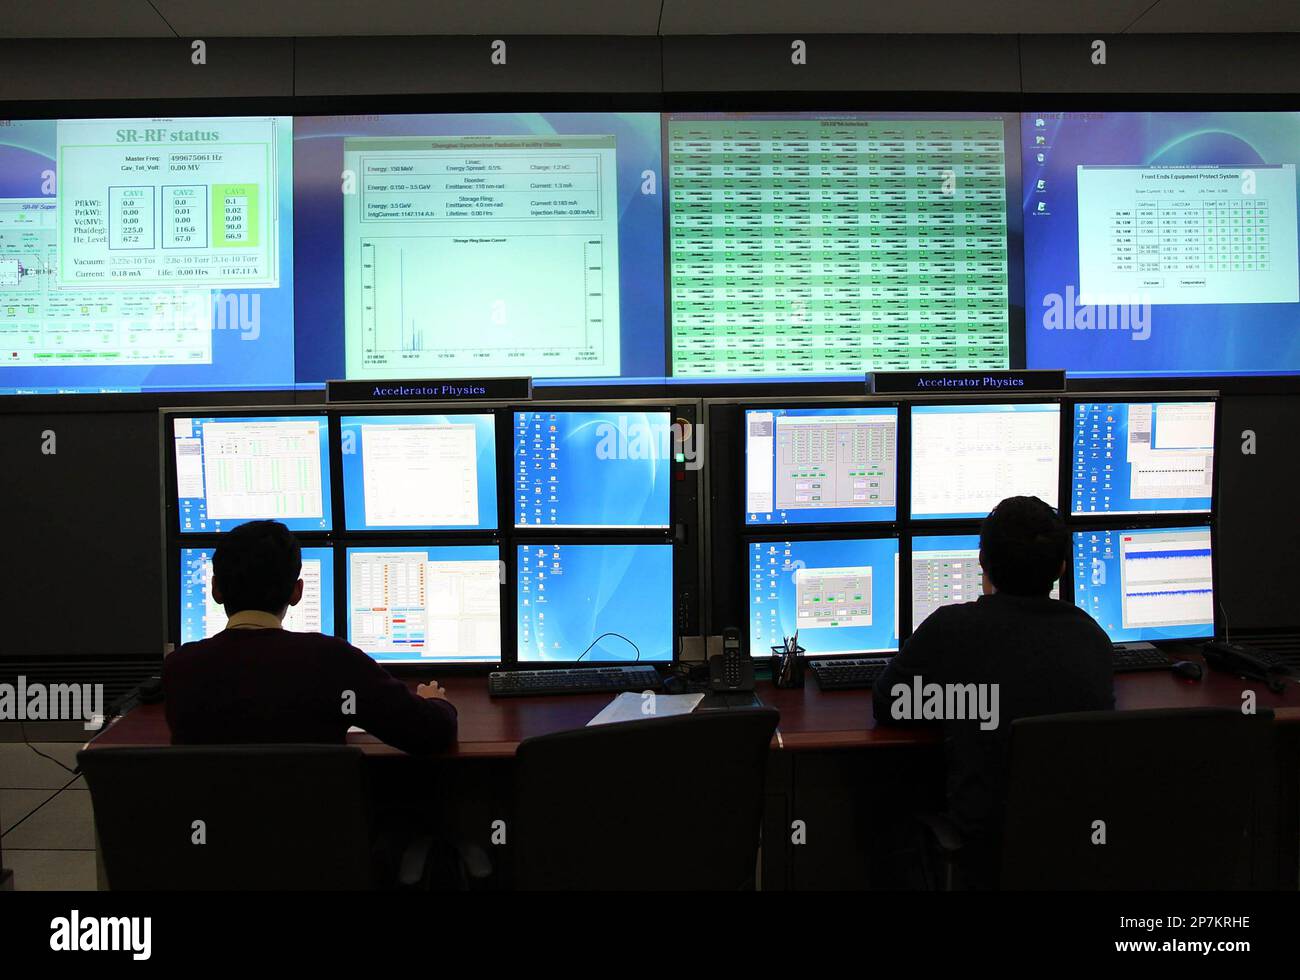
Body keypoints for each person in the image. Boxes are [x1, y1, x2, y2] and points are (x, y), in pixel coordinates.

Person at [872, 495, 1113, 888]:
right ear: (1061, 568)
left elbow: (888, 703)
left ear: (982, 563)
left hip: (983, 852)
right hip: (1076, 852)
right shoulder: (1093, 637)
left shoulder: (953, 629)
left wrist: (960, 704)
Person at [165, 520, 457, 755]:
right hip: (318, 828)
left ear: (215, 590)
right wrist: (436, 702)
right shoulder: (331, 661)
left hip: (215, 828)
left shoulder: (180, 668)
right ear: (297, 591)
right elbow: (432, 734)